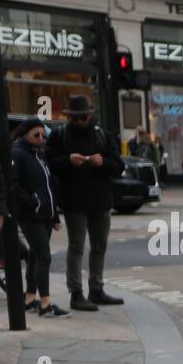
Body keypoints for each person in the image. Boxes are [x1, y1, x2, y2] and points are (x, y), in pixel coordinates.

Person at [44, 94, 125, 312]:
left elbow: (118, 166)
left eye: (84, 117)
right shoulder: (59, 135)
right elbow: (49, 164)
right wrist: (68, 161)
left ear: (90, 115)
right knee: (76, 246)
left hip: (100, 200)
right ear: (70, 117)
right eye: (76, 118)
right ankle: (76, 293)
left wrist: (102, 162)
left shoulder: (102, 135)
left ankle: (96, 289)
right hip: (74, 201)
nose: (80, 121)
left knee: (100, 246)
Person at [11, 119, 69, 318]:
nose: (41, 139)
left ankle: (29, 298)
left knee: (36, 256)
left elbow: (49, 185)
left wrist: (54, 215)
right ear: (24, 133)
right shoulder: (18, 153)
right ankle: (45, 303)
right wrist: (32, 201)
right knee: (44, 256)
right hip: (29, 215)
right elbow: (13, 185)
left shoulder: (39, 154)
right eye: (36, 135)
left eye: (43, 135)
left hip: (44, 214)